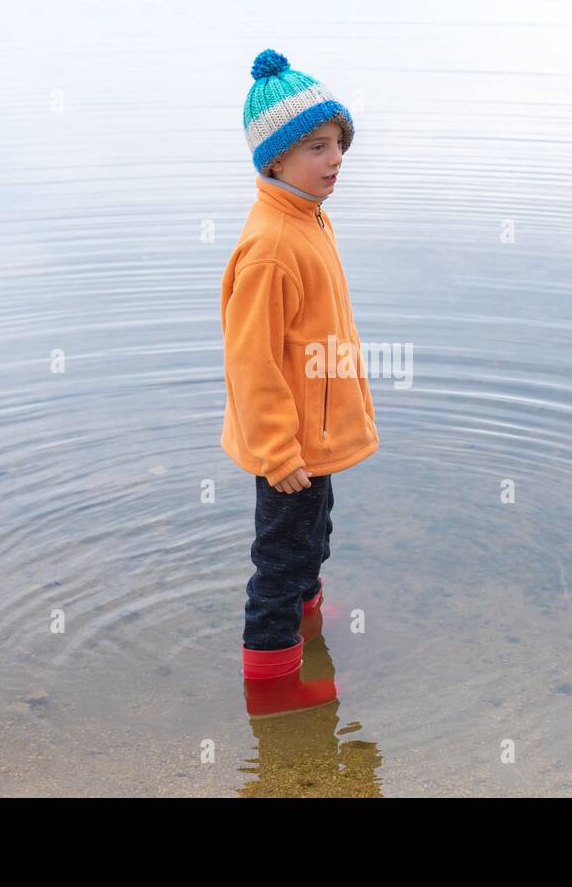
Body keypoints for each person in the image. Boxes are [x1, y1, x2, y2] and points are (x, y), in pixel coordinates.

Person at [220, 48, 379, 715]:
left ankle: (308, 620)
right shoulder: (272, 245)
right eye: (317, 146)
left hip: (317, 433)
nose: (335, 158)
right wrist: (280, 452)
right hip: (289, 446)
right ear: (275, 160)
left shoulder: (310, 216)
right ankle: (275, 690)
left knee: (314, 537)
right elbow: (251, 361)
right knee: (279, 565)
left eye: (338, 143)